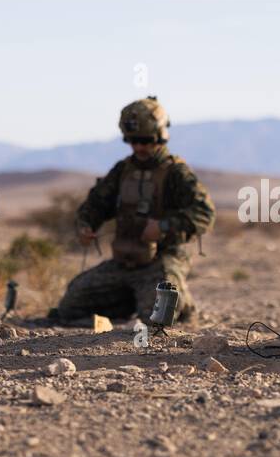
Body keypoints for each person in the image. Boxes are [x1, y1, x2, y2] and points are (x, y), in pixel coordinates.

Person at [47, 97, 215, 326]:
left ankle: (182, 305)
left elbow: (204, 212)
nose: (138, 147)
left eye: (145, 141)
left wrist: (164, 226)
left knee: (159, 320)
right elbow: (95, 205)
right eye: (132, 141)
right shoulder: (122, 170)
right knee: (69, 308)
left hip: (161, 261)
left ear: (160, 136)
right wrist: (86, 225)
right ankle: (130, 302)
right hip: (123, 262)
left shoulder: (176, 173)